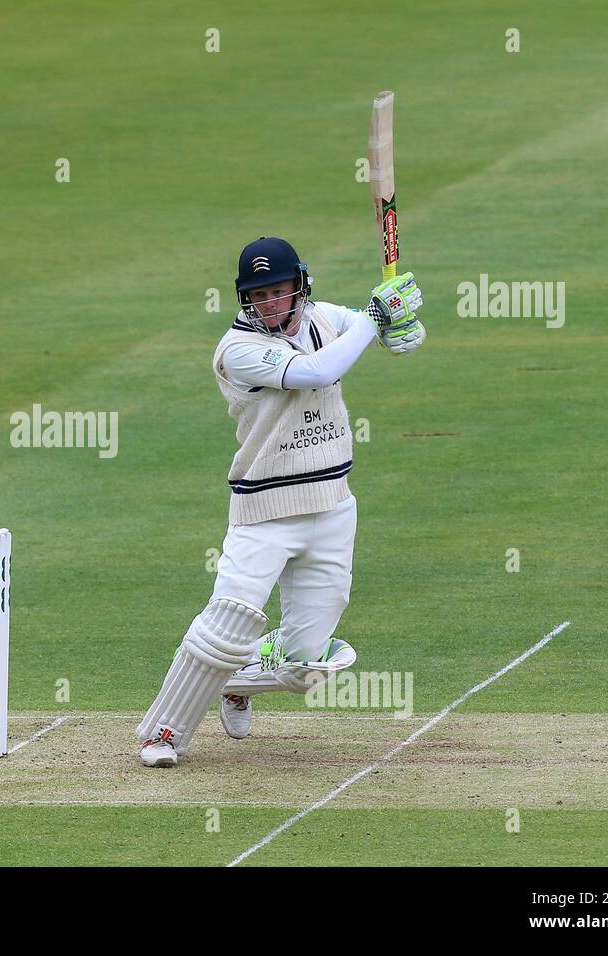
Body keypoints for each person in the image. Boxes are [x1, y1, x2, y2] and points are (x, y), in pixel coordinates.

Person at [136, 236, 425, 767]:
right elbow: (319, 371)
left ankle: (238, 681)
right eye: (258, 295)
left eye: (279, 291)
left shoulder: (324, 318)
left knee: (308, 667)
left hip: (332, 508)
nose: (269, 303)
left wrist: (400, 325)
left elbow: (377, 328)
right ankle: (163, 732)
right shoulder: (237, 350)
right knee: (227, 625)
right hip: (264, 511)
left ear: (300, 286)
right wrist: (373, 319)